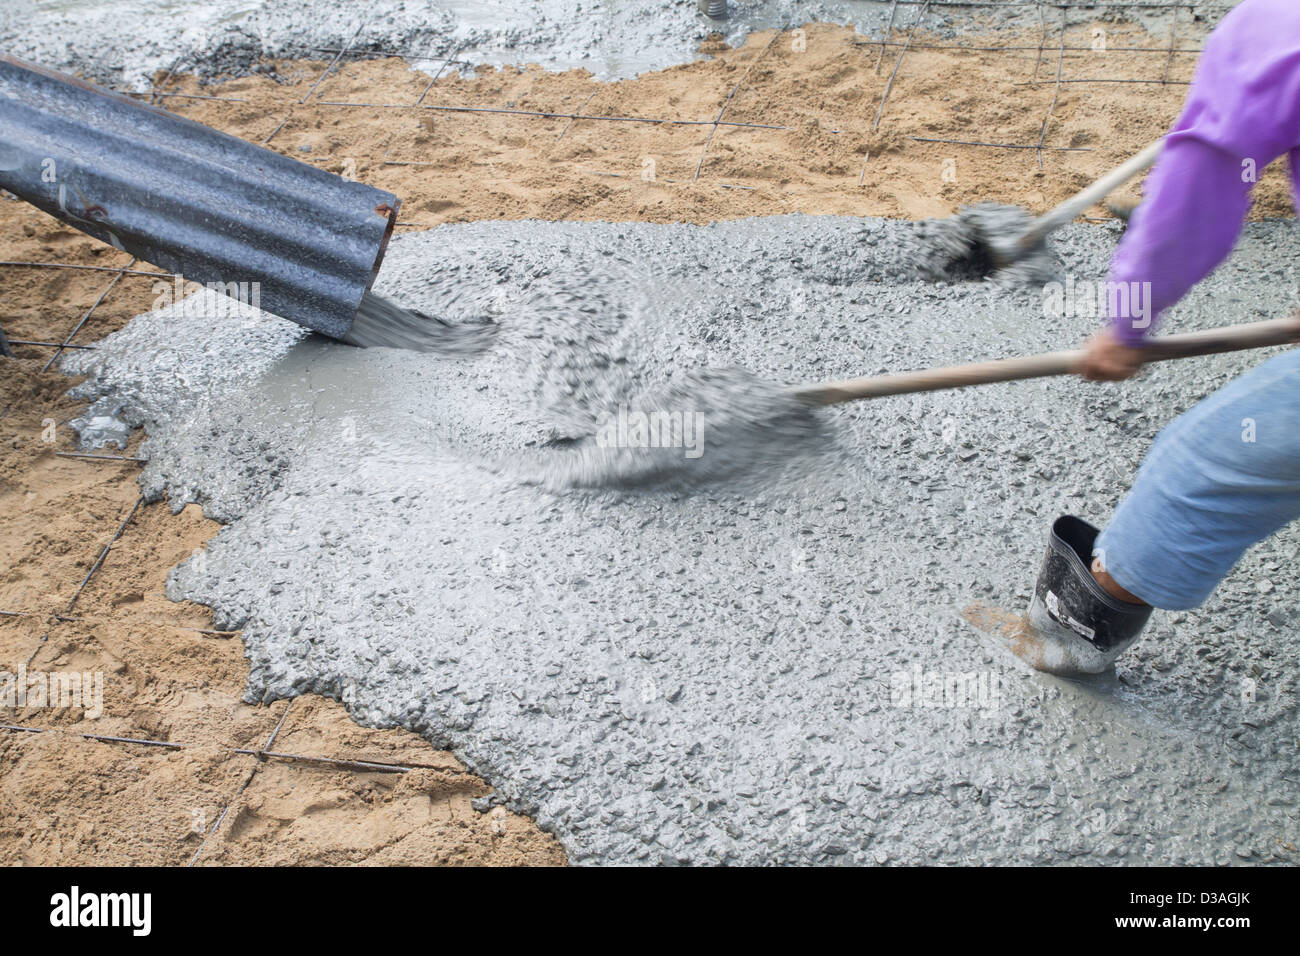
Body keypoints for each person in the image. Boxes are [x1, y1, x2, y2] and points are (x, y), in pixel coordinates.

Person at [1027, 0, 1300, 675]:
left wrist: (1126, 321)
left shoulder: (1276, 32)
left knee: (1199, 464)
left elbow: (1200, 187)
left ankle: (1065, 639)